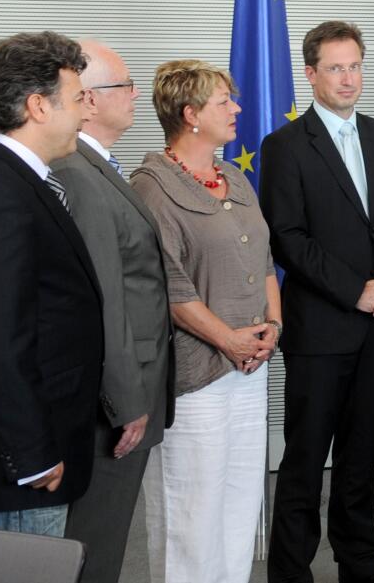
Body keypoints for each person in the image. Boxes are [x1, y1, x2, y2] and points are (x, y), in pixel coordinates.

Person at [261, 21, 374, 583]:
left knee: (362, 450)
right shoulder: (283, 146)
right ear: (311, 74)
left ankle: (358, 556)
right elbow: (288, 237)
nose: (348, 78)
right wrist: (358, 290)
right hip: (322, 327)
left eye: (355, 65)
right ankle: (290, 568)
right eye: (335, 67)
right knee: (305, 456)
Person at [131, 59, 282, 583]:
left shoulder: (236, 178)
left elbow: (264, 260)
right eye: (224, 101)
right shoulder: (152, 187)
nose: (237, 108)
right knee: (190, 511)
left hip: (251, 368)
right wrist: (229, 340)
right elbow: (170, 288)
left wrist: (273, 329)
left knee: (241, 503)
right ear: (190, 114)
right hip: (197, 375)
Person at [0, 31, 102, 536]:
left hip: (42, 446)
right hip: (19, 468)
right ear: (38, 106)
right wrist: (34, 455)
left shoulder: (20, 181)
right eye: (80, 99)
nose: (87, 113)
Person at [52, 40, 174, 583]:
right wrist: (125, 401)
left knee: (105, 539)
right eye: (124, 85)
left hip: (130, 387)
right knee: (94, 545)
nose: (136, 96)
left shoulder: (99, 167)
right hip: (115, 402)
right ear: (89, 101)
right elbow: (104, 295)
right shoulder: (77, 173)